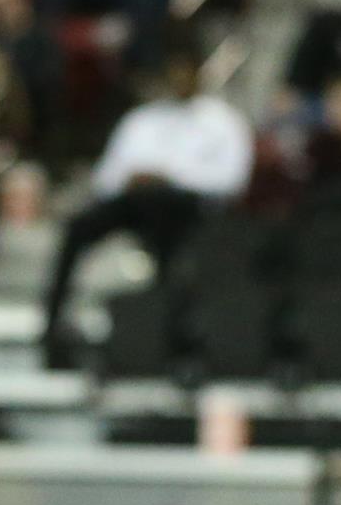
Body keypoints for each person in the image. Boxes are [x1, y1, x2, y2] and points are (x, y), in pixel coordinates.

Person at [38, 49, 253, 367]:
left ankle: (167, 328)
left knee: (163, 214)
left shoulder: (222, 121)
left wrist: (171, 177)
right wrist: (134, 179)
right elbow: (106, 177)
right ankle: (54, 321)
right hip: (133, 203)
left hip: (190, 207)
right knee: (78, 226)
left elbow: (231, 180)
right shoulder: (141, 119)